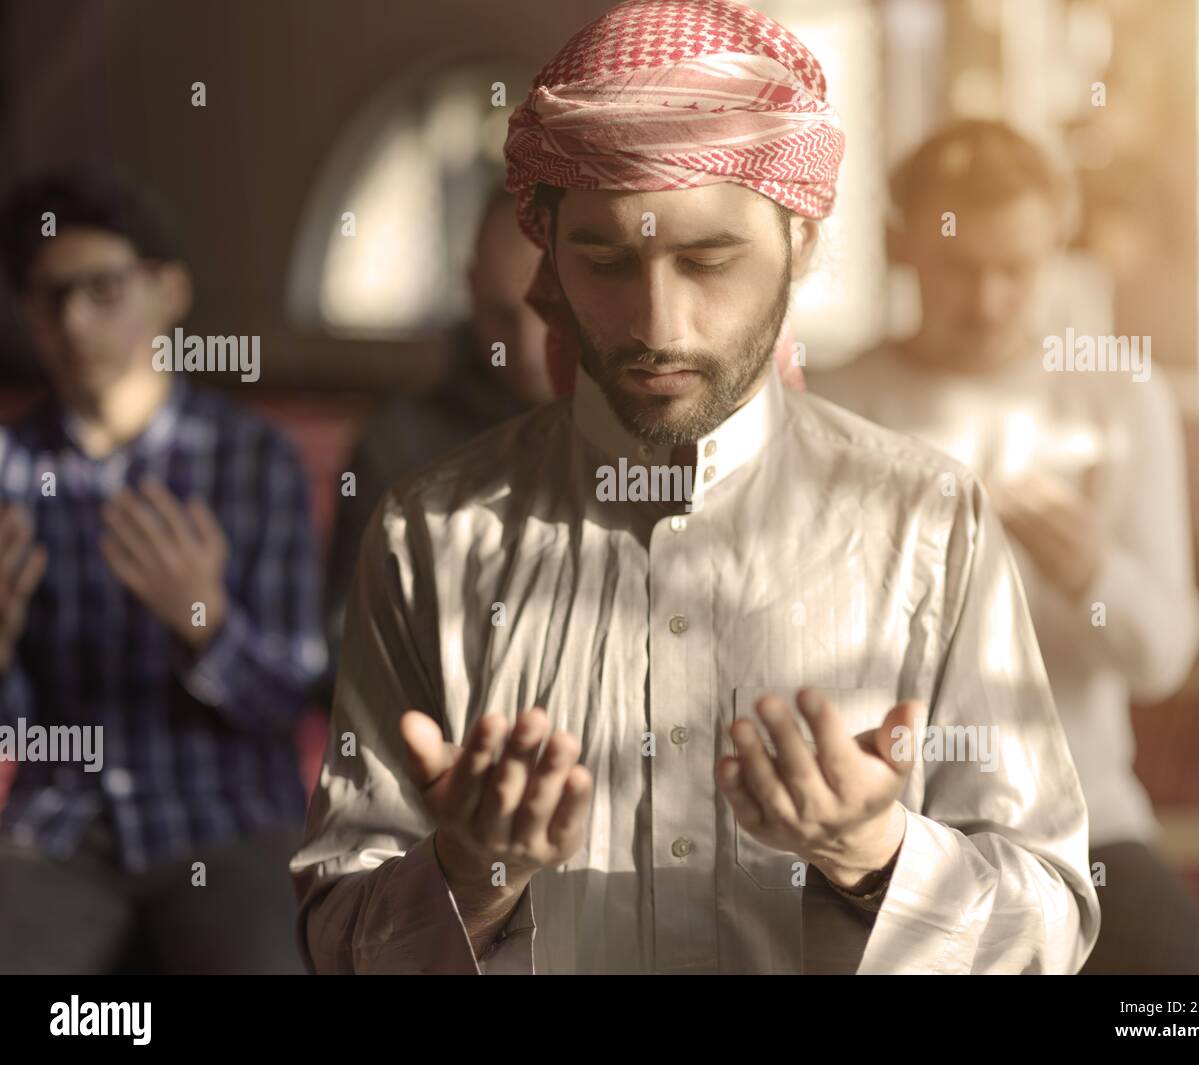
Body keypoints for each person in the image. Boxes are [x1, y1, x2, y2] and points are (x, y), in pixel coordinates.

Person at [291, 0, 1100, 975]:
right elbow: (336, 941)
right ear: (545, 246)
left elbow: (1048, 919)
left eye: (709, 259)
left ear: (801, 240)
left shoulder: (923, 519)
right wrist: (467, 875)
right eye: (605, 261)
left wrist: (878, 858)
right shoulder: (434, 533)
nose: (656, 324)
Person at [806, 120, 1199, 974]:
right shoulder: (832, 405)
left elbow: (1163, 660)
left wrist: (1089, 572)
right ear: (901, 246)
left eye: (1017, 269)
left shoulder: (1115, 396)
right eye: (960, 267)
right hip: (887, 827)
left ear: (1057, 253)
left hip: (1087, 819)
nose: (990, 299)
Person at [0, 165, 326, 974]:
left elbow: (294, 695)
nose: (73, 319)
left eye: (101, 288)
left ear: (168, 292)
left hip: (227, 815)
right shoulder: (9, 467)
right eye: (49, 296)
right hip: (62, 825)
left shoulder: (251, 459)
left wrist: (206, 624)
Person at [321, 186, 549, 681]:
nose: (527, 349)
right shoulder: (399, 441)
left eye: (549, 310)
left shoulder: (650, 429)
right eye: (503, 316)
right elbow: (343, 642)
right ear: (470, 291)